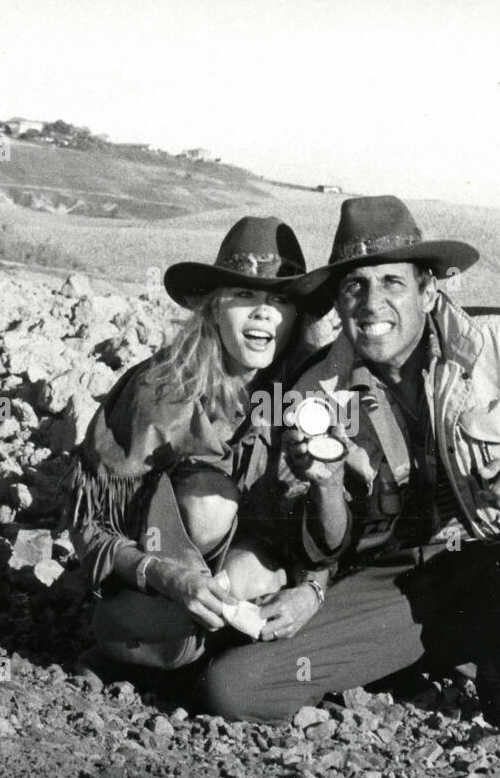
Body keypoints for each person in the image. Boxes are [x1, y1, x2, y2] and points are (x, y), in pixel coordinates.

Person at [197, 196, 500, 739]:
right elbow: (318, 545)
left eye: (392, 283)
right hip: (398, 587)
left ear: (430, 290)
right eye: (354, 286)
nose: (371, 303)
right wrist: (327, 488)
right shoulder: (316, 389)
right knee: (236, 687)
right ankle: (433, 657)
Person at [66, 216, 326, 672]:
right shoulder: (161, 391)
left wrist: (311, 589)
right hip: (154, 574)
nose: (264, 312)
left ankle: (204, 655)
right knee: (212, 502)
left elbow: (321, 522)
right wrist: (165, 575)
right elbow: (89, 523)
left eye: (280, 299)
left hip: (242, 572)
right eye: (245, 295)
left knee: (263, 572)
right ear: (212, 306)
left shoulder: (301, 392)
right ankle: (155, 643)